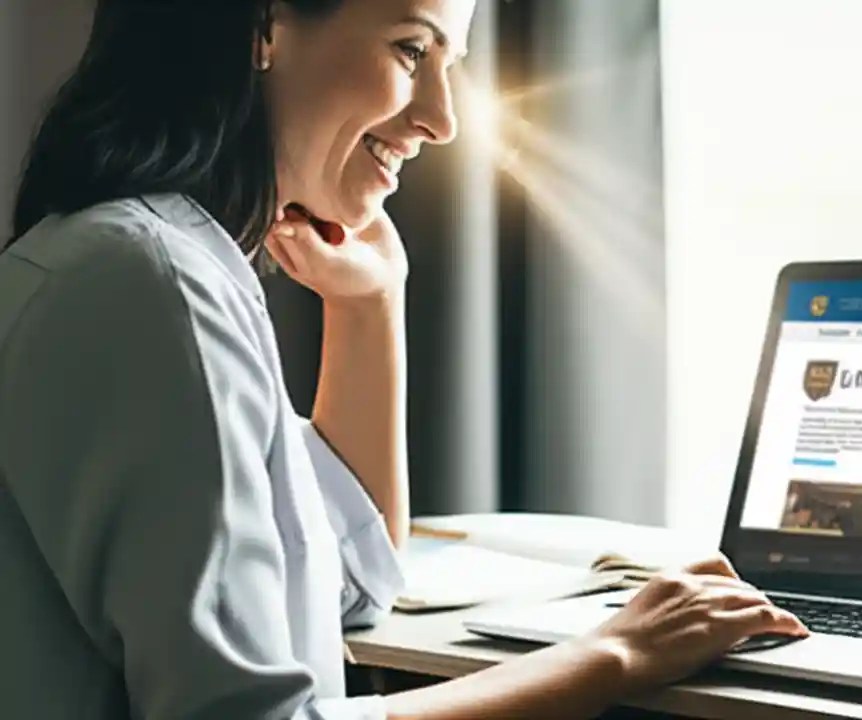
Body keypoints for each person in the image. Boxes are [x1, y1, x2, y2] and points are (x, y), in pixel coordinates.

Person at [0, 1, 808, 718]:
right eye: (411, 52)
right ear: (262, 28)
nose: (442, 118)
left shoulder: (160, 265)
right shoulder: (152, 283)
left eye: (449, 66)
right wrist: (613, 655)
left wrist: (369, 307)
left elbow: (353, 580)